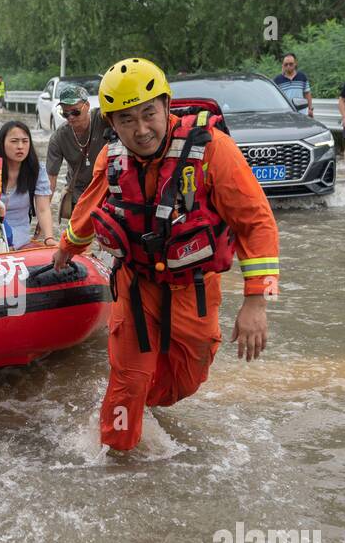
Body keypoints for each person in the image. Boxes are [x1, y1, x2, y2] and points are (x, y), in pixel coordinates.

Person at [52, 57, 279, 451]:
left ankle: (141, 405)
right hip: (136, 287)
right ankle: (116, 459)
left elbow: (256, 223)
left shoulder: (213, 151)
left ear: (166, 105)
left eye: (148, 114)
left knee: (186, 378)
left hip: (193, 288)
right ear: (111, 123)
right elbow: (88, 209)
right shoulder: (112, 159)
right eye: (126, 120)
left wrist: (257, 300)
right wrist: (66, 249)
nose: (141, 130)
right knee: (128, 381)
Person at [45, 83, 105, 224]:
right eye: (65, 114)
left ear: (87, 106)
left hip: (105, 187)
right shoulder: (58, 137)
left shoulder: (103, 120)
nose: (71, 117)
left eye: (75, 112)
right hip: (79, 193)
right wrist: (44, 214)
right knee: (79, 240)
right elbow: (51, 180)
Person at [0, 121, 56, 249]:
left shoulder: (37, 171)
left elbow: (43, 209)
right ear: (2, 144)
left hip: (20, 236)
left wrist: (49, 238)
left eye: (25, 141)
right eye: (14, 141)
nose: (20, 146)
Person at [273, 53, 313, 118]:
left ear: (295, 64)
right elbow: (275, 99)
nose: (288, 66)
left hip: (302, 114)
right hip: (285, 115)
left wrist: (310, 109)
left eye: (291, 64)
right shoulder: (277, 80)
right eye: (286, 64)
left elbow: (307, 94)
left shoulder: (302, 77)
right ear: (282, 65)